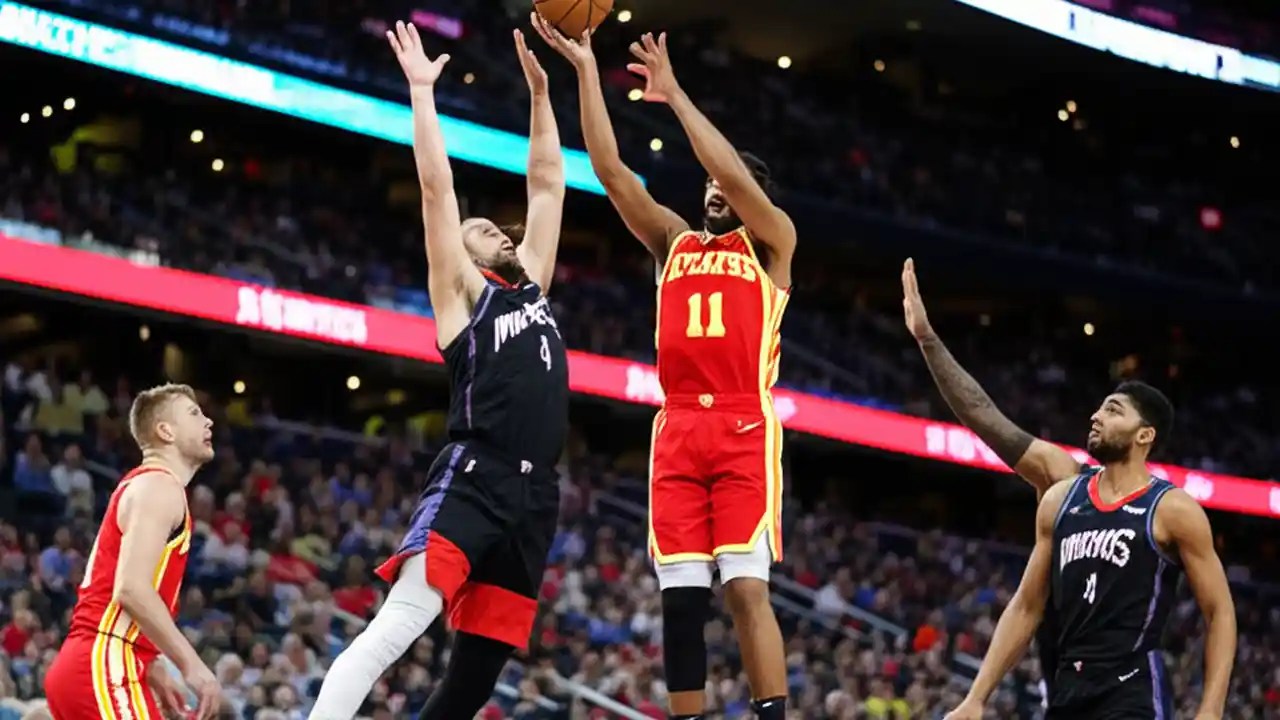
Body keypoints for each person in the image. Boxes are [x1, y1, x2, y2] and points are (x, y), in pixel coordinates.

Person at [534, 18, 796, 719]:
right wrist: (585, 71)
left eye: (727, 183)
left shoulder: (772, 244)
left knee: (745, 589)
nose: (715, 187)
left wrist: (676, 96)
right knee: (680, 601)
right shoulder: (673, 243)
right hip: (677, 428)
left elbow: (734, 173)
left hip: (742, 424)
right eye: (707, 181)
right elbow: (611, 172)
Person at [307, 20, 569, 720]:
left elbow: (547, 184)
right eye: (483, 230)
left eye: (499, 228)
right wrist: (423, 93)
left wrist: (542, 95)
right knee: (399, 625)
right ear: (463, 251)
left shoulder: (532, 286)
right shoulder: (461, 294)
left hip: (537, 495)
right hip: (477, 475)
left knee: (475, 682)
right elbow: (436, 190)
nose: (500, 231)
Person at [900, 260, 1236, 719]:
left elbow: (1220, 611)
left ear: (1145, 435)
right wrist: (977, 697)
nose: (1096, 416)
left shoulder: (1172, 509)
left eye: (1113, 410)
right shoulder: (1063, 494)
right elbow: (1026, 606)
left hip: (1131, 690)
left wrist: (1210, 710)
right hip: (1066, 688)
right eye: (1099, 408)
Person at [43, 383, 220, 719]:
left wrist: (150, 662)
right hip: (104, 662)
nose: (208, 421)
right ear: (166, 431)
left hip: (96, 660)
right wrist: (192, 665)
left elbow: (112, 583)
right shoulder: (159, 486)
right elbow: (131, 589)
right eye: (194, 413)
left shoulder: (144, 484)